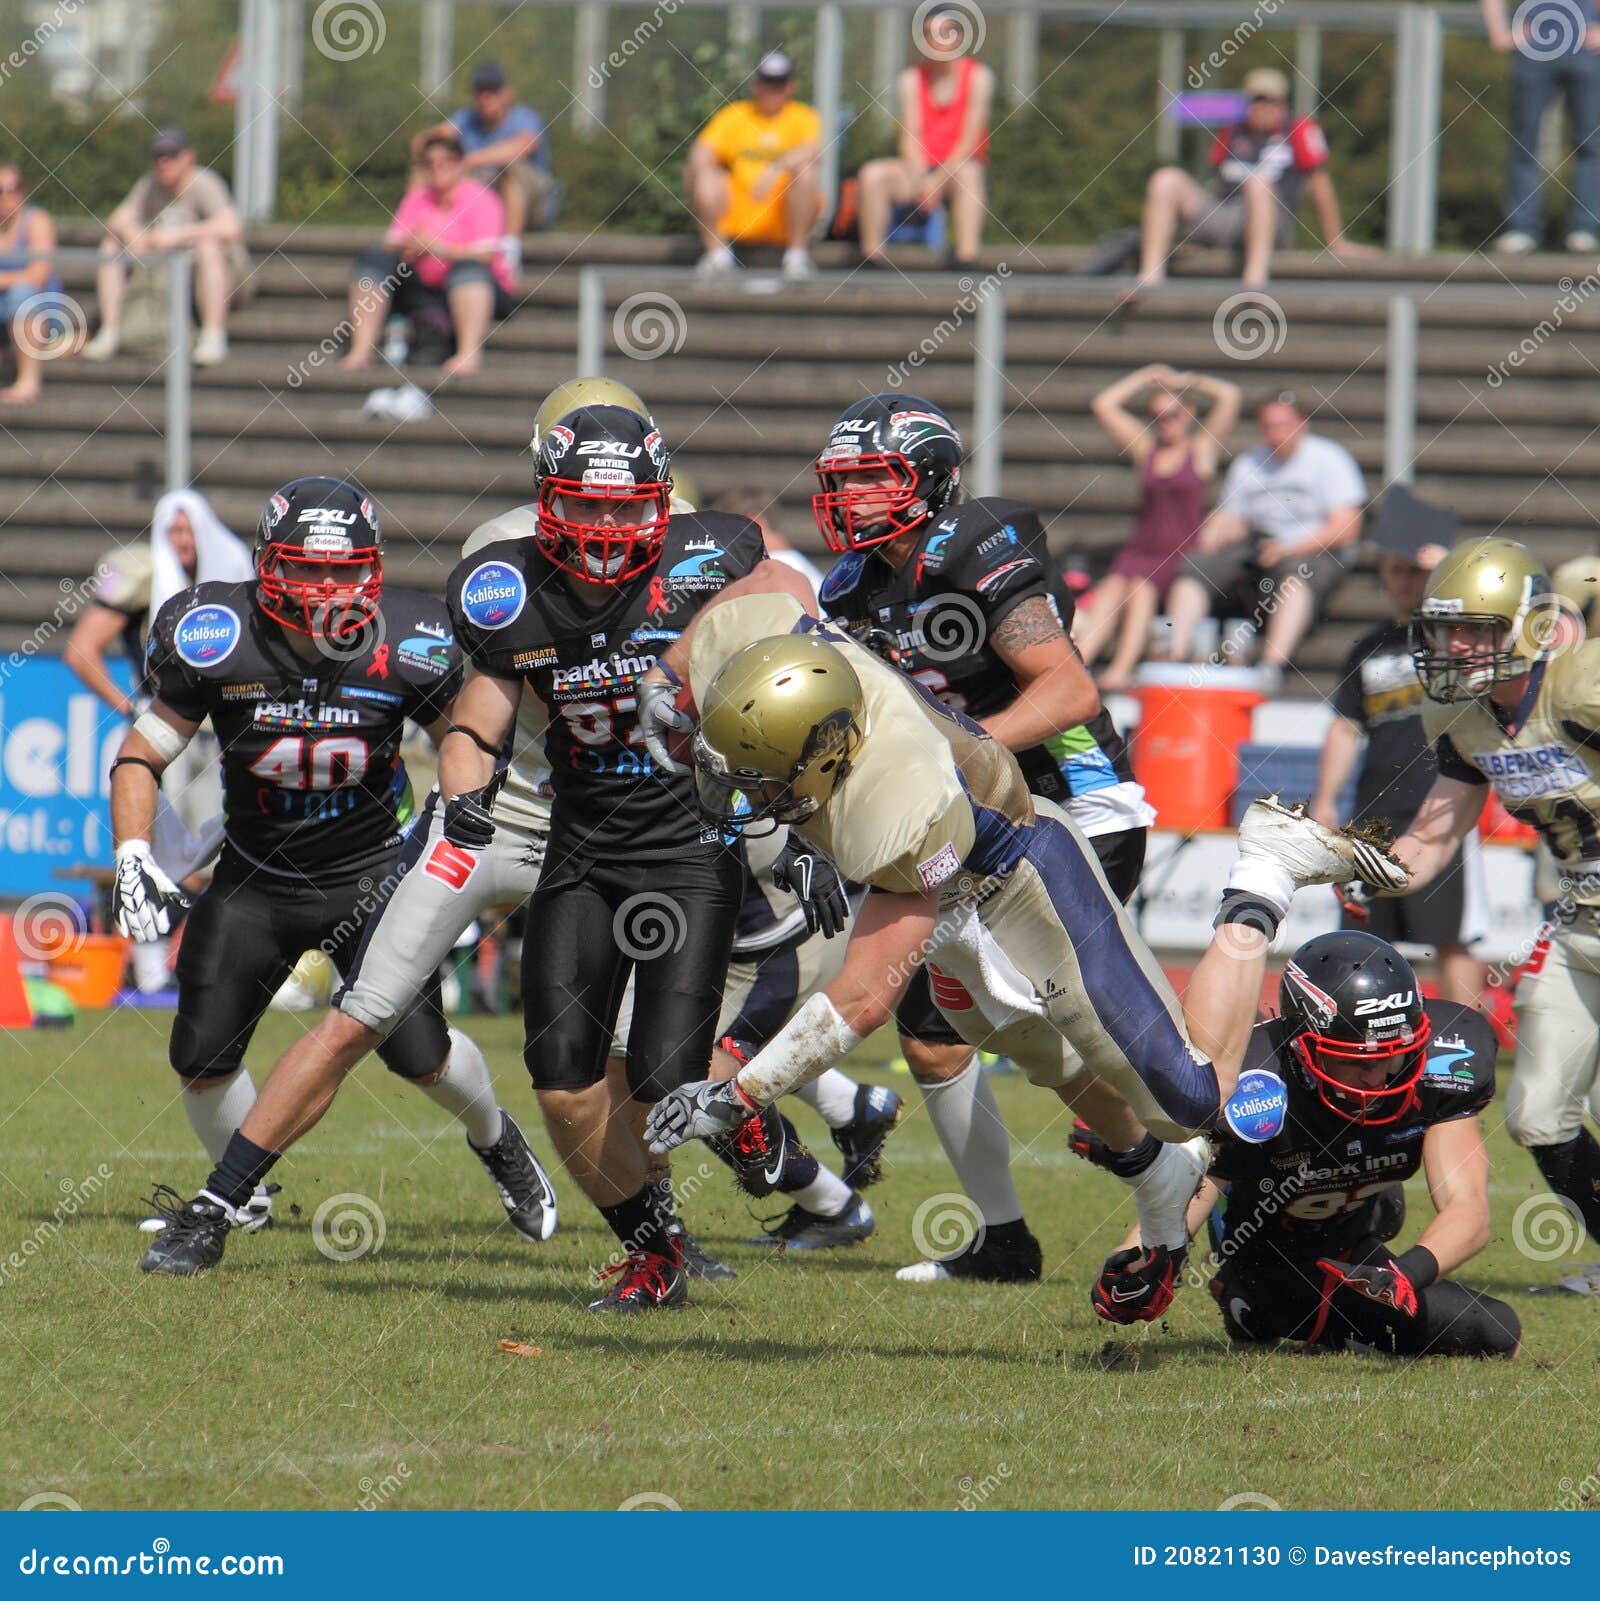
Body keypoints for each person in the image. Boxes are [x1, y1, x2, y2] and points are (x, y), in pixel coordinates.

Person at [630, 574, 1410, 1320]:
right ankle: (1161, 1193)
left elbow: (865, 993)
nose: (745, 793)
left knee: (1191, 1101)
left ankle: (1263, 875)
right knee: (1060, 1064)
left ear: (828, 752)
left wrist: (741, 1094)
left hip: (1017, 877)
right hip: (948, 895)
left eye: (763, 776)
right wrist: (670, 676)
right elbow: (763, 575)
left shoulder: (898, 801)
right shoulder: (763, 640)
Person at [113, 477, 546, 1276]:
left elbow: (468, 739)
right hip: (254, 874)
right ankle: (244, 1195)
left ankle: (497, 1138)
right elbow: (142, 752)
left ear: (374, 570)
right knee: (200, 1057)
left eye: (348, 569)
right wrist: (134, 852)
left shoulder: (410, 635)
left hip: (372, 874)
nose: (330, 589)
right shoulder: (215, 631)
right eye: (309, 569)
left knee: (424, 1056)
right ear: (266, 566)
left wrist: (458, 815)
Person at [437, 404, 785, 1312]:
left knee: (669, 1080)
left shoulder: (710, 555)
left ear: (660, 504)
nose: (605, 527)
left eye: (626, 508)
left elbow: (789, 585)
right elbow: (477, 719)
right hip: (582, 852)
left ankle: (740, 1109)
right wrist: (463, 799)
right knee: (560, 1080)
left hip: (690, 847)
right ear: (547, 503)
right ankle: (653, 1251)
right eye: (584, 508)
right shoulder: (505, 588)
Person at [812, 393, 1155, 1283]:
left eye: (870, 482)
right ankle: (1005, 1241)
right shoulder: (850, 589)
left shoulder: (975, 545)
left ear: (927, 481)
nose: (850, 501)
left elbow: (1069, 692)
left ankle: (1194, 1172)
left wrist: (962, 759)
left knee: (1077, 1034)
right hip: (967, 820)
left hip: (1069, 805)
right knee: (934, 1036)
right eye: (842, 483)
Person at [1080, 931, 1519, 1357]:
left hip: (1354, 1220)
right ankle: (1247, 1293)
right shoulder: (1257, 1085)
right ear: (1304, 1046)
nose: (1380, 1075)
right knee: (1486, 1329)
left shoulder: (1446, 1062)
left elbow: (1469, 1209)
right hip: (1268, 1236)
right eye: (1354, 1060)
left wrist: (1404, 1274)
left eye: (1394, 1053)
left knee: (1498, 1330)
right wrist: (1145, 1260)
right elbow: (1194, 1182)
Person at [1377, 537, 1600, 1275]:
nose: (1457, 646)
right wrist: (1344, 862)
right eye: (1446, 628)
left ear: (1530, 628)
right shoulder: (1461, 717)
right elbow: (1430, 841)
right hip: (1581, 925)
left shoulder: (1579, 684)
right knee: (1538, 1116)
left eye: (1477, 627)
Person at [1309, 492, 1486, 1009]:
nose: (1406, 580)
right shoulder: (1366, 648)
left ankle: (1463, 1043)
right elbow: (1347, 730)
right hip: (1375, 811)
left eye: (1417, 570)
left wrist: (1446, 573)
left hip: (1443, 806)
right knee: (1363, 938)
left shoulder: (1457, 637)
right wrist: (1325, 801)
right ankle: (1363, 1040)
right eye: (1396, 569)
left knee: (1452, 937)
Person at [1163, 391, 1365, 682]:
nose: (1276, 433)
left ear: (1302, 424)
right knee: (1195, 567)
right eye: (1269, 426)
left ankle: (1271, 665)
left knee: (1295, 578)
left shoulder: (1329, 459)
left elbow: (1347, 527)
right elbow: (1229, 513)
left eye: (1283, 425)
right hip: (1256, 548)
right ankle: (1174, 655)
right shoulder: (1249, 463)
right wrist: (1217, 528)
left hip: (1313, 550)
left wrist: (1288, 549)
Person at [1130, 67, 1374, 294]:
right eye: (1258, 100)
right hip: (1229, 217)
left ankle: (1254, 284)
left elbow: (1321, 187)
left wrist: (1336, 242)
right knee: (1166, 178)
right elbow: (1216, 185)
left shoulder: (1300, 129)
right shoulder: (1233, 130)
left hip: (1274, 222)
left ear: (1283, 103)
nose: (1264, 107)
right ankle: (1149, 278)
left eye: (1271, 101)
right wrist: (1191, 234)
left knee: (1258, 182)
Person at [1078, 364, 1242, 689]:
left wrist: (1190, 379)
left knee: (1139, 589)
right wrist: (1144, 376)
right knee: (1112, 587)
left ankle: (1121, 669)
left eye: (1173, 416)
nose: (1165, 424)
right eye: (1158, 417)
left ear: (1189, 413)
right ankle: (1079, 664)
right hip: (1141, 548)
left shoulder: (1201, 450)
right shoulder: (1146, 449)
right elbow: (1104, 404)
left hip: (1179, 551)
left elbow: (1230, 396)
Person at [340, 132, 517, 378]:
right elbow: (392, 241)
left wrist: (437, 247)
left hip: (477, 285)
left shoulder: (482, 199)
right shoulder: (418, 198)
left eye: (444, 161)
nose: (437, 168)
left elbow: (486, 254)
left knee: (468, 270)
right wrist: (411, 245)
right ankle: (361, 350)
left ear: (460, 162)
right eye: (429, 163)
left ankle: (468, 354)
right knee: (373, 260)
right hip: (424, 284)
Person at [84, 128, 248, 367]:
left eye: (171, 155)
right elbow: (117, 219)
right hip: (169, 276)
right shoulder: (149, 185)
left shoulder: (205, 183)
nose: (164, 163)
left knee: (208, 246)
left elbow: (231, 227)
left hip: (225, 275)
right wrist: (135, 234)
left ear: (188, 158)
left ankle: (213, 335)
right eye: (158, 156)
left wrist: (178, 235)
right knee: (110, 246)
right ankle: (110, 329)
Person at [855, 5, 994, 268]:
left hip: (957, 168)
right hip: (918, 168)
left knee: (969, 174)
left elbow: (969, 140)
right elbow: (910, 137)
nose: (935, 41)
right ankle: (872, 257)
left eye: (943, 33)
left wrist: (936, 183)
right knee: (872, 174)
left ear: (959, 37)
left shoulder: (979, 77)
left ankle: (966, 257)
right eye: (929, 34)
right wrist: (922, 181)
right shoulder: (910, 79)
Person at [688, 51, 822, 282]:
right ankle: (718, 255)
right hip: (737, 211)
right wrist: (702, 172)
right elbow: (701, 152)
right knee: (701, 174)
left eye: (779, 83)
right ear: (756, 85)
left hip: (781, 214)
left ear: (790, 86)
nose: (772, 90)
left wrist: (774, 169)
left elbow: (813, 151)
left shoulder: (803, 117)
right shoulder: (734, 115)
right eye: (767, 82)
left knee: (806, 172)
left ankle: (797, 255)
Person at [1483, 0, 1600, 253]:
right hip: (1534, 48)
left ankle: (1585, 229)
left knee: (1591, 142)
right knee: (1523, 143)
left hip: (1586, 51)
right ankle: (1521, 229)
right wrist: (1500, 33)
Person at [412, 60, 558, 247]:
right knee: (428, 167)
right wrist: (437, 151)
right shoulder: (466, 119)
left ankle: (509, 250)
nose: (486, 98)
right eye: (480, 92)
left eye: (493, 92)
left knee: (510, 170)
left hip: (534, 207)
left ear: (508, 93)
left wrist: (470, 160)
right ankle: (414, 229)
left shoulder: (524, 117)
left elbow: (523, 145)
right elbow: (422, 143)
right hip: (483, 205)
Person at [0, 163, 70, 404]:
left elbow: (37, 276)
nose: (8, 195)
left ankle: (28, 381)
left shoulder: (36, 221)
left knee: (22, 294)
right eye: (1, 189)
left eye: (15, 188)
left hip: (40, 310)